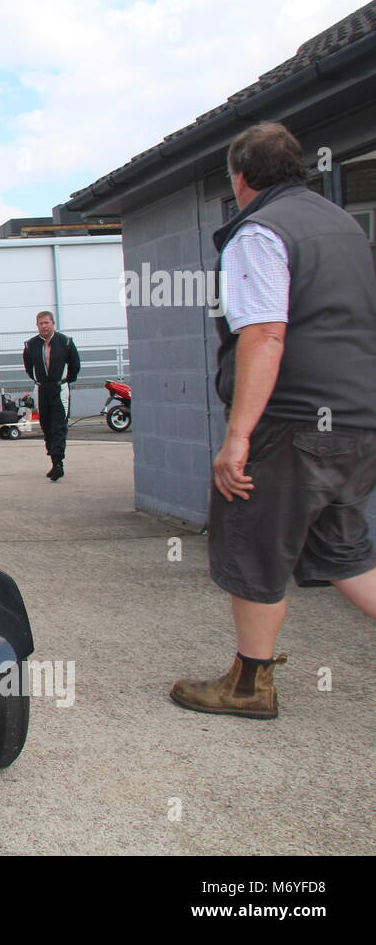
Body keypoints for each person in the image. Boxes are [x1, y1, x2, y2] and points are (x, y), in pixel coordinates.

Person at [170, 122, 376, 719]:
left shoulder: (259, 233)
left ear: (240, 177)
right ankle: (248, 679)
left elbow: (263, 334)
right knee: (346, 550)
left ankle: (248, 686)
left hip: (292, 425)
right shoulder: (342, 226)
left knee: (254, 544)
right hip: (356, 422)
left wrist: (237, 440)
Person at [22, 311, 80, 481]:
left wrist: (66, 380)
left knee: (58, 425)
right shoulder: (30, 345)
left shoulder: (65, 342)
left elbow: (75, 364)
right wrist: (38, 380)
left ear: (53, 323)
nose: (44, 326)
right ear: (37, 325)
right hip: (41, 389)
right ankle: (54, 459)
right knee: (46, 425)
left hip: (60, 388)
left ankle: (58, 462)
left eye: (47, 322)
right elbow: (28, 367)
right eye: (41, 323)